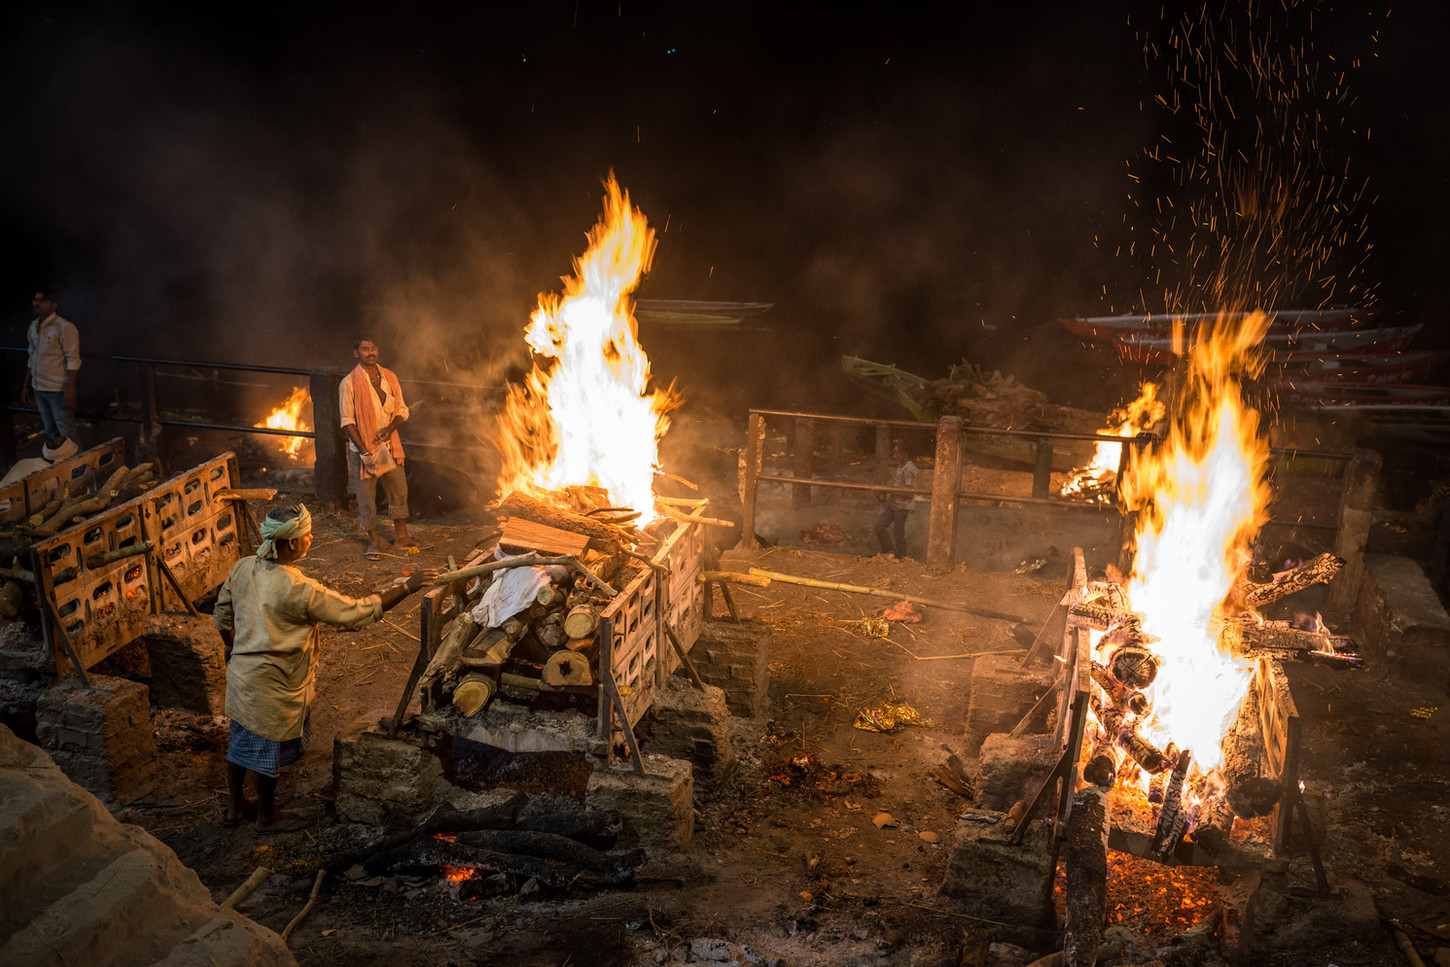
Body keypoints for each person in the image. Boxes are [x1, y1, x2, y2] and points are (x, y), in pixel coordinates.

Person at [214, 504, 430, 832]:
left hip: (242, 679)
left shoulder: (243, 568)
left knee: (240, 742)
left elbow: (221, 615)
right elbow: (355, 612)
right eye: (306, 535)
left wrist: (231, 645)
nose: (311, 538)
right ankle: (266, 818)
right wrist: (407, 587)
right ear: (289, 544)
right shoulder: (300, 589)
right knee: (266, 752)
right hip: (273, 686)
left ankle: (234, 808)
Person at [339, 336, 414, 560]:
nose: (370, 352)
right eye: (365, 349)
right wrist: (364, 451)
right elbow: (347, 422)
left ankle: (402, 536)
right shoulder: (349, 383)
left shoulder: (389, 377)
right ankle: (373, 540)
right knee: (366, 497)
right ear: (356, 353)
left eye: (373, 348)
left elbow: (402, 410)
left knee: (399, 490)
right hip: (364, 450)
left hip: (390, 445)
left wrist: (390, 429)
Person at [21, 287, 81, 451]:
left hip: (58, 390)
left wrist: (69, 390)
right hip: (39, 388)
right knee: (52, 434)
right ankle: (63, 470)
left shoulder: (64, 327)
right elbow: (31, 357)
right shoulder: (33, 327)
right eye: (35, 299)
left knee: (68, 435)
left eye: (42, 300)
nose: (36, 303)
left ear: (54, 305)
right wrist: (27, 385)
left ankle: (80, 471)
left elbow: (73, 359)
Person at [875, 440, 918, 559]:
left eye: (897, 453)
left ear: (905, 453)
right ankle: (889, 552)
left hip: (902, 507)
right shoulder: (900, 466)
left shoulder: (909, 469)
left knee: (898, 534)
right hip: (894, 504)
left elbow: (909, 493)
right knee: (879, 527)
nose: (894, 456)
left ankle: (902, 558)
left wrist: (891, 490)